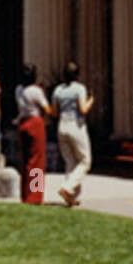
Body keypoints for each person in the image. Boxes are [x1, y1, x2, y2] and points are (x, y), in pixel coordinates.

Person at [51, 61, 94, 207]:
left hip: (62, 126)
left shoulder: (57, 90)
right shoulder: (79, 89)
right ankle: (67, 188)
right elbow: (83, 109)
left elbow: (55, 112)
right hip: (76, 126)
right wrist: (90, 101)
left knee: (70, 162)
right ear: (77, 75)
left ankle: (71, 197)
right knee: (85, 161)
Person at [14, 63, 52, 205]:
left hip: (23, 122)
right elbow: (47, 109)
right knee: (37, 161)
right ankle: (35, 197)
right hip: (35, 123)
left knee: (25, 161)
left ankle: (25, 195)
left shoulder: (18, 89)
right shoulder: (35, 91)